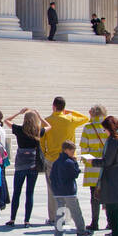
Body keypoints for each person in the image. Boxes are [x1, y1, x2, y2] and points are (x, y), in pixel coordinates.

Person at [40, 97, 90, 227]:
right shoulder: (70, 119)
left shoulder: (47, 121)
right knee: (68, 188)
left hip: (52, 158)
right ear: (63, 107)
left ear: (53, 106)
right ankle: (66, 217)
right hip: (68, 159)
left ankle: (53, 218)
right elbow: (85, 118)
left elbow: (41, 141)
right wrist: (69, 112)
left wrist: (45, 153)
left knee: (52, 189)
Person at [5, 108, 47, 227]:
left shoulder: (19, 130)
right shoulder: (38, 131)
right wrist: (39, 116)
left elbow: (6, 120)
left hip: (21, 164)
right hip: (33, 164)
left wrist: (19, 112)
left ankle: (12, 218)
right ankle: (27, 220)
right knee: (30, 193)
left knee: (17, 192)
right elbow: (49, 126)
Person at [49, 141, 92, 236]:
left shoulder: (56, 162)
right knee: (76, 212)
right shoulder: (69, 162)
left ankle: (58, 235)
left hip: (58, 191)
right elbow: (75, 174)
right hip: (69, 191)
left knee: (60, 213)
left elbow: (51, 176)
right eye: (72, 150)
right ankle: (81, 232)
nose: (73, 153)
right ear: (66, 150)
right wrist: (76, 163)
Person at [79, 104, 108, 231]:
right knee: (108, 196)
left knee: (94, 196)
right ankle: (110, 222)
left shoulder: (88, 128)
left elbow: (84, 148)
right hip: (106, 165)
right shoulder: (107, 126)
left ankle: (94, 222)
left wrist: (89, 162)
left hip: (92, 166)